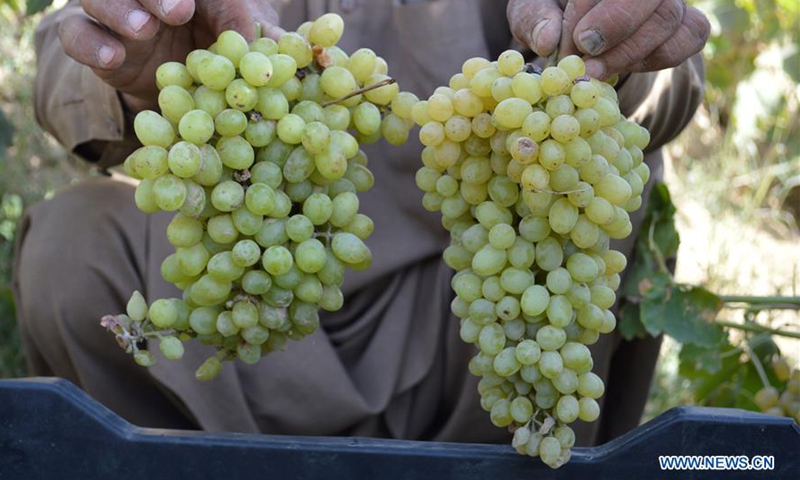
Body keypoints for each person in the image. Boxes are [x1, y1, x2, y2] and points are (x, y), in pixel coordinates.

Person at [13, 0, 708, 445]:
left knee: (607, 194)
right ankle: (169, 460)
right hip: (248, 289)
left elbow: (675, 88)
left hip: (460, 315)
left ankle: (523, 441)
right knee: (70, 245)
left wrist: (614, 50)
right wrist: (134, 59)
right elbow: (59, 47)